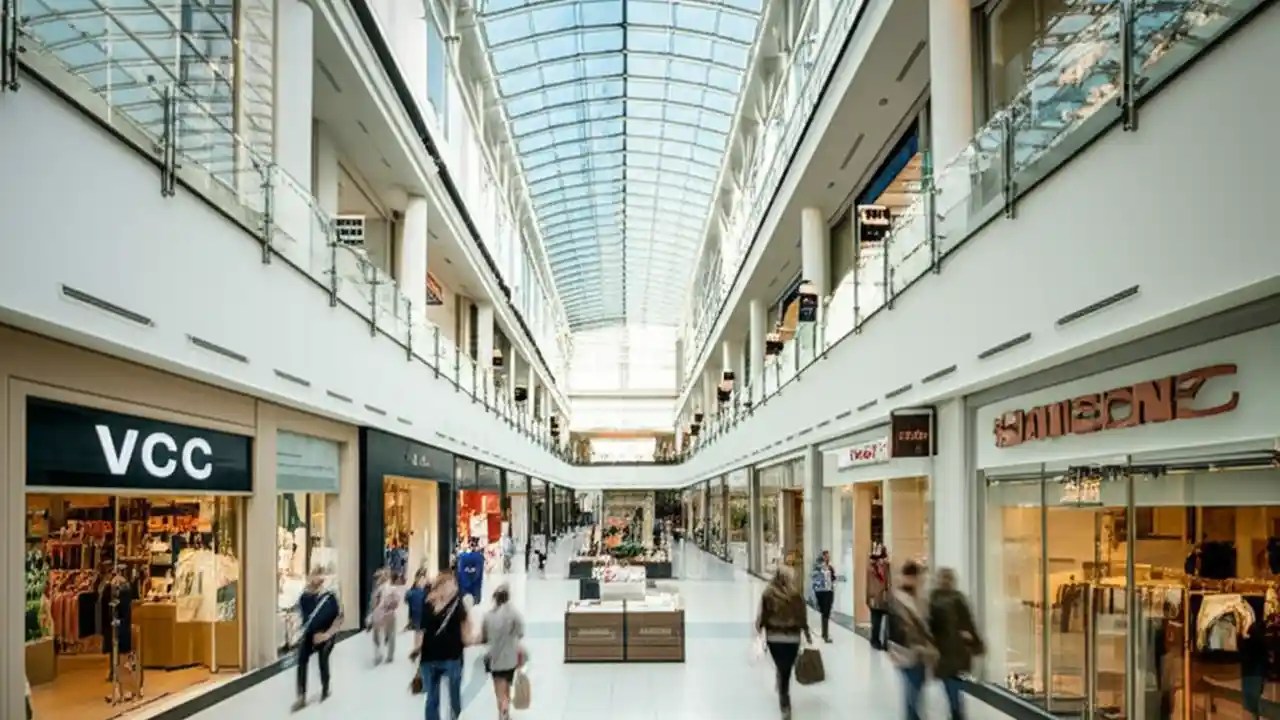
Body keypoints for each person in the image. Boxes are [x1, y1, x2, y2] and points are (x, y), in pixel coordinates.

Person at [756, 566, 812, 720]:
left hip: (774, 638)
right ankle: (785, 702)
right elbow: (802, 616)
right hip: (792, 638)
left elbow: (762, 616)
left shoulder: (768, 593)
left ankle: (783, 696)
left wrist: (759, 629)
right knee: (786, 669)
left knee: (782, 667)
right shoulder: (795, 595)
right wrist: (807, 633)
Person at [928, 568, 984, 720]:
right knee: (952, 682)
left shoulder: (936, 598)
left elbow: (967, 623)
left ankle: (956, 711)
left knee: (951, 682)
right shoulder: (951, 598)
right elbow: (968, 623)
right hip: (952, 649)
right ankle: (956, 711)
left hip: (949, 649)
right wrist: (976, 643)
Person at [416, 570, 470, 720]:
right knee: (445, 696)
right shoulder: (431, 603)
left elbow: (421, 630)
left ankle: (455, 715)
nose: (454, 588)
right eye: (451, 585)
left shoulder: (457, 604)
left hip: (436, 657)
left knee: (437, 697)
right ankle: (454, 716)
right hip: (447, 657)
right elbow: (421, 630)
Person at [887, 560, 936, 720]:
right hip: (907, 652)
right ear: (910, 577)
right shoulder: (900, 600)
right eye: (918, 577)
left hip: (915, 653)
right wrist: (919, 645)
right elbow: (900, 629)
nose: (921, 581)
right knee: (912, 691)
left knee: (915, 689)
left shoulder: (915, 598)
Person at [294, 567, 343, 711]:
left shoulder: (329, 596)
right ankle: (301, 696)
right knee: (302, 659)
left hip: (327, 633)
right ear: (310, 577)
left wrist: (327, 635)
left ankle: (325, 688)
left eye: (321, 575)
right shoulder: (304, 597)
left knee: (323, 658)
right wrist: (305, 632)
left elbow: (339, 618)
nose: (319, 578)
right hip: (310, 634)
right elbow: (304, 618)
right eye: (316, 574)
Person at [481, 584, 525, 720]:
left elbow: (484, 637)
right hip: (510, 658)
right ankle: (506, 711)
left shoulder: (488, 616)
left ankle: (502, 711)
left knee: (499, 689)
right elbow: (520, 633)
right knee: (507, 686)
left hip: (495, 658)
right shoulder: (514, 614)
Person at [367, 568, 400, 664]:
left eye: (379, 577)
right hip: (381, 615)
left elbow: (395, 602)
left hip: (385, 615)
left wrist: (387, 607)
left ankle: (386, 655)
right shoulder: (377, 590)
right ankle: (382, 655)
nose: (377, 580)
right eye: (377, 578)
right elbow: (372, 604)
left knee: (388, 635)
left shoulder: (390, 589)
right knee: (382, 635)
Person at [866, 544, 892, 650]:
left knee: (886, 621)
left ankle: (885, 641)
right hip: (875, 599)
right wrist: (869, 598)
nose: (882, 560)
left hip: (885, 598)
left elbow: (889, 581)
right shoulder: (872, 569)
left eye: (883, 557)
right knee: (876, 622)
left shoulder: (886, 567)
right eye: (880, 558)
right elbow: (870, 585)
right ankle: (874, 640)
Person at [811, 550, 837, 643]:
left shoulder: (830, 566)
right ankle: (825, 634)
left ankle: (825, 633)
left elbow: (834, 577)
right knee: (825, 611)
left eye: (828, 556)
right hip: (822, 592)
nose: (827, 558)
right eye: (825, 556)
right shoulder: (818, 567)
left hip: (829, 591)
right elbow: (814, 578)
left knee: (826, 612)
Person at [457, 540, 485, 605]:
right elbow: (479, 573)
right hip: (475, 589)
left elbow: (459, 572)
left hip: (464, 589)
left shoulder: (462, 556)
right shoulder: (479, 557)